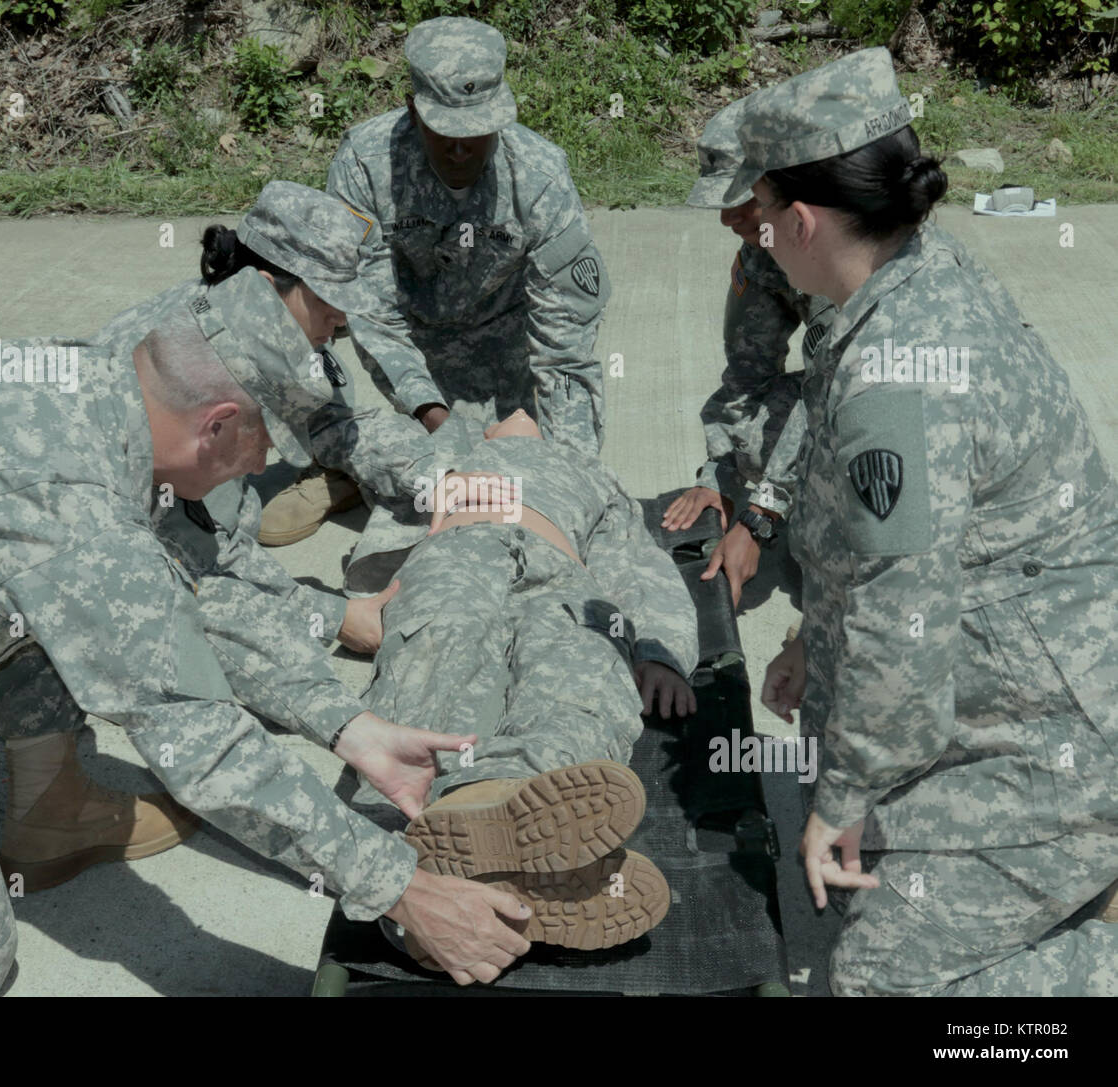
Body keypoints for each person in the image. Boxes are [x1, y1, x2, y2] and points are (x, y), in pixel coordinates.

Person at [0, 273, 542, 994]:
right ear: (218, 422)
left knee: (53, 617)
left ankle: (52, 817)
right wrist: (398, 887)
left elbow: (192, 598)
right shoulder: (73, 520)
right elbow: (204, 741)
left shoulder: (100, 388)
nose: (264, 466)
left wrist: (348, 726)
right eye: (264, 444)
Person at [0, 182, 515, 893]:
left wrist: (438, 481)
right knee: (76, 625)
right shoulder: (172, 383)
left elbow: (336, 427)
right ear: (271, 284)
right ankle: (50, 806)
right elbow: (197, 594)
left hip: (138, 535)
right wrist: (335, 654)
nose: (339, 324)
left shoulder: (262, 332)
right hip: (24, 555)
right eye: (329, 305)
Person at [736, 47, 1118, 995]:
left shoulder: (896, 372)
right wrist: (812, 641)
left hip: (1052, 731)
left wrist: (845, 793)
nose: (754, 236)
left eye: (759, 213)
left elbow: (905, 628)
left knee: (880, 983)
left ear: (802, 218)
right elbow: (893, 544)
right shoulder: (913, 275)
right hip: (1016, 681)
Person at [354, 407, 699, 955]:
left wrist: (659, 650)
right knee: (441, 662)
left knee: (586, 667)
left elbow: (633, 560)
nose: (518, 410)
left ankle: (484, 843)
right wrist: (436, 468)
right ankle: (474, 821)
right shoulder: (448, 445)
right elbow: (356, 432)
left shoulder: (591, 471)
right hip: (458, 555)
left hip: (562, 574)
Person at [273, 15, 609, 556]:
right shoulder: (366, 160)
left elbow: (565, 347)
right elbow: (368, 308)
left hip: (506, 351)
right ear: (413, 109)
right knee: (302, 310)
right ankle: (340, 458)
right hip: (408, 343)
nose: (461, 151)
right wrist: (427, 409)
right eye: (445, 132)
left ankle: (387, 466)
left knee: (509, 482)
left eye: (477, 132)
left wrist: (573, 475)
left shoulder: (541, 176)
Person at [662, 97, 835, 609]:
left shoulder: (850, 256)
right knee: (755, 435)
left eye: (743, 200)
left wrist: (760, 518)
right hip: (849, 390)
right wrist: (721, 475)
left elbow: (834, 395)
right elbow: (745, 376)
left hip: (923, 416)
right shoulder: (765, 251)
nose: (725, 219)